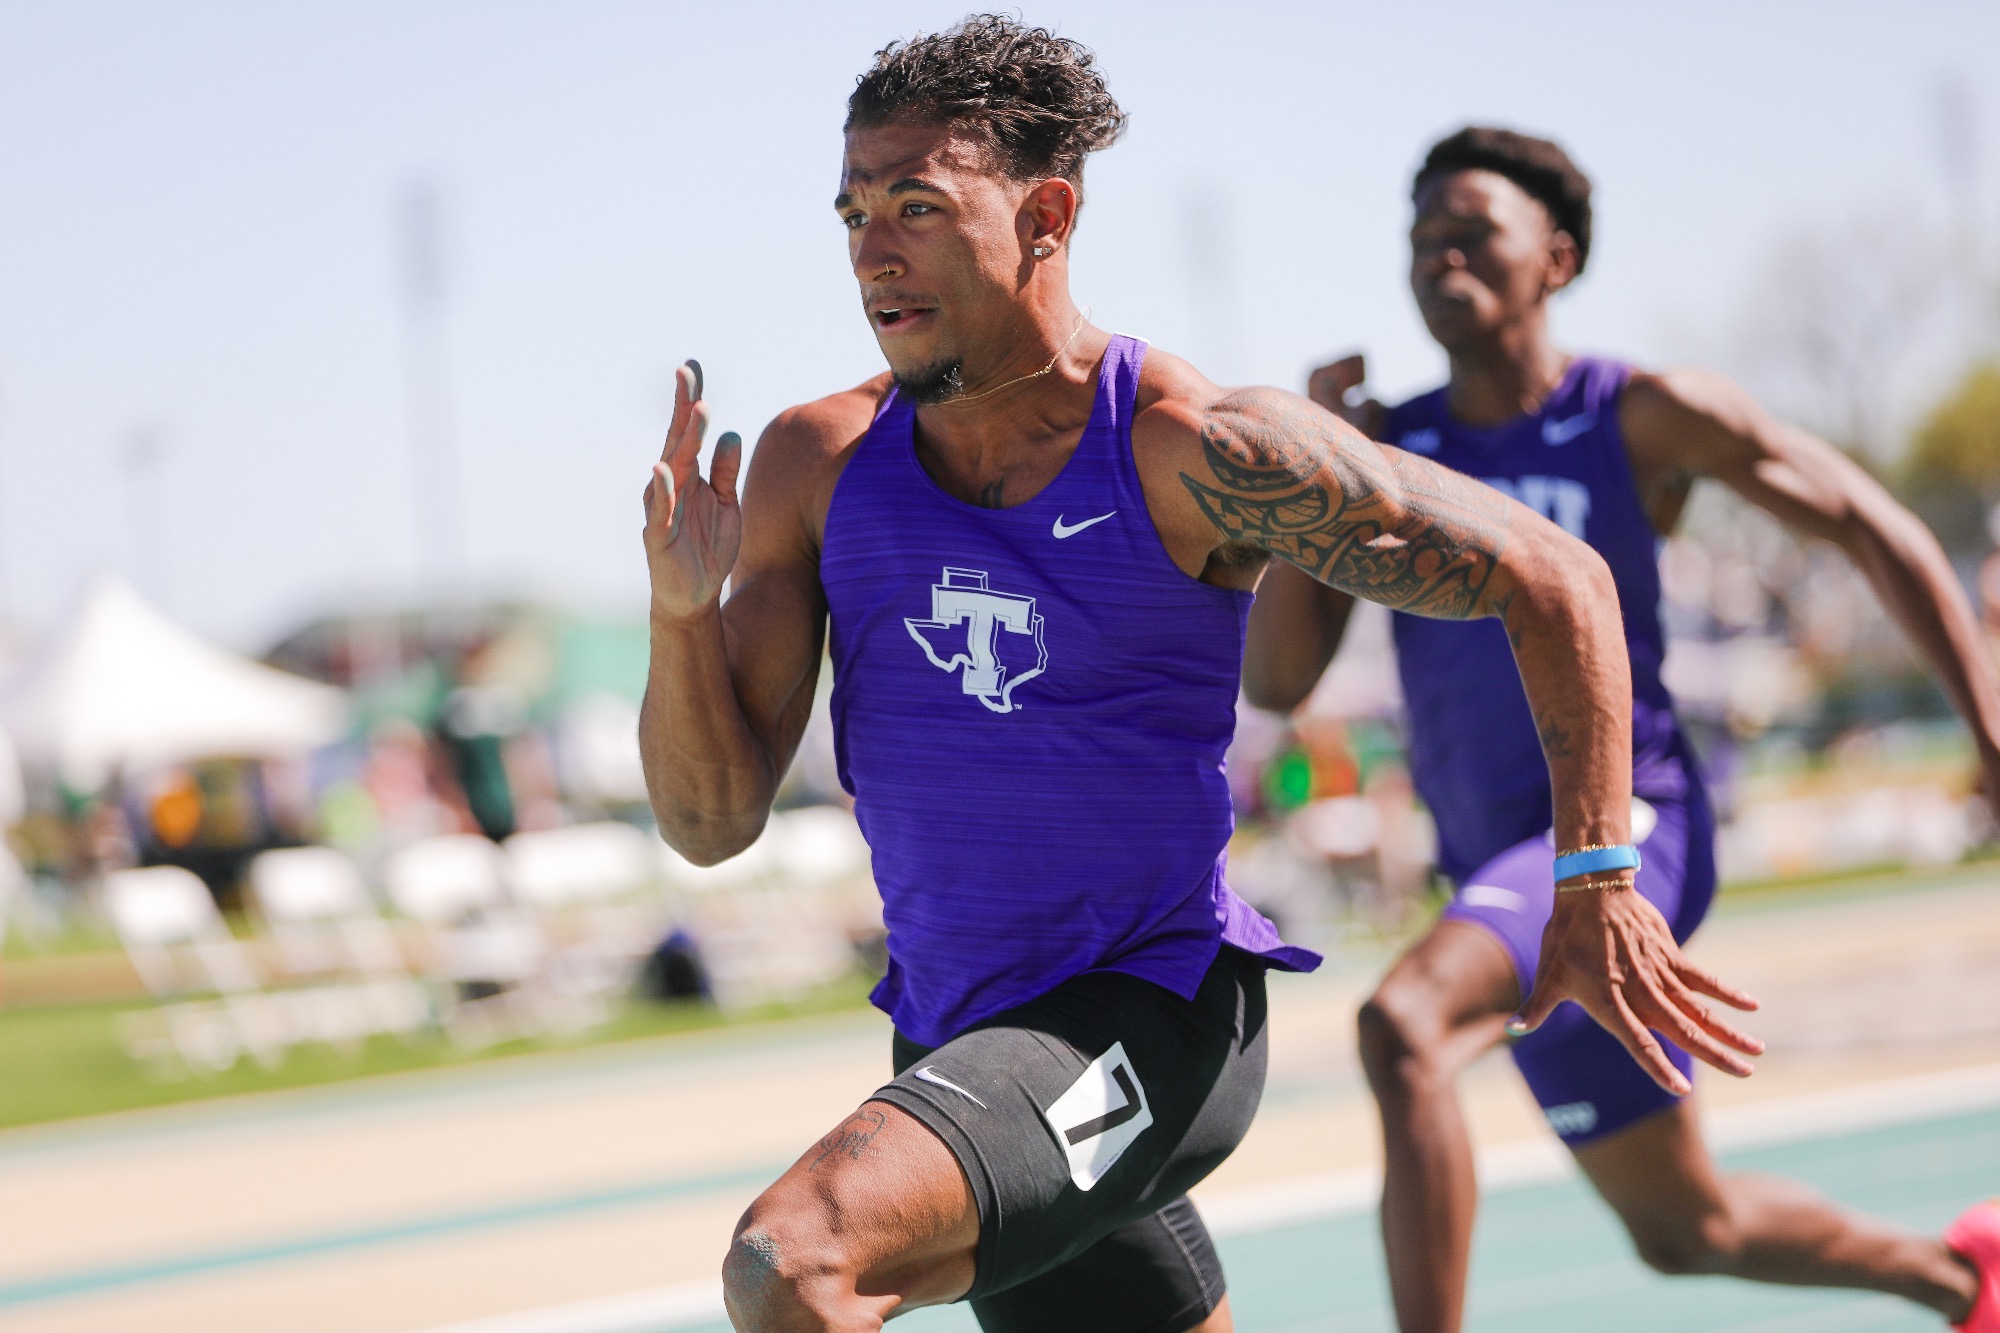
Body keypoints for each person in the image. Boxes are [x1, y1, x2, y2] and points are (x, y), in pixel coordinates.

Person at [641, 23, 1748, 1329]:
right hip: (963, 1043)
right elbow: (709, 826)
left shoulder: (1189, 446)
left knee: (795, 1259)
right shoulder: (814, 465)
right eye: (855, 213)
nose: (874, 253)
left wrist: (1596, 873)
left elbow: (1557, 576)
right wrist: (678, 617)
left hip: (1149, 1021)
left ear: (1046, 214)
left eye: (920, 208)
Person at [1244, 125, 2000, 1332]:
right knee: (1683, 1229)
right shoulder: (1395, 457)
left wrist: (1989, 731)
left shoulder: (1634, 416)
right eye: (1418, 239)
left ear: (1554, 256)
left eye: (1470, 232)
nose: (1439, 256)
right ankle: (1964, 1281)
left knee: (1403, 1028)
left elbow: (1869, 521)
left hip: (1619, 835)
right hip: (1489, 861)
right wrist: (1310, 484)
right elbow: (1278, 682)